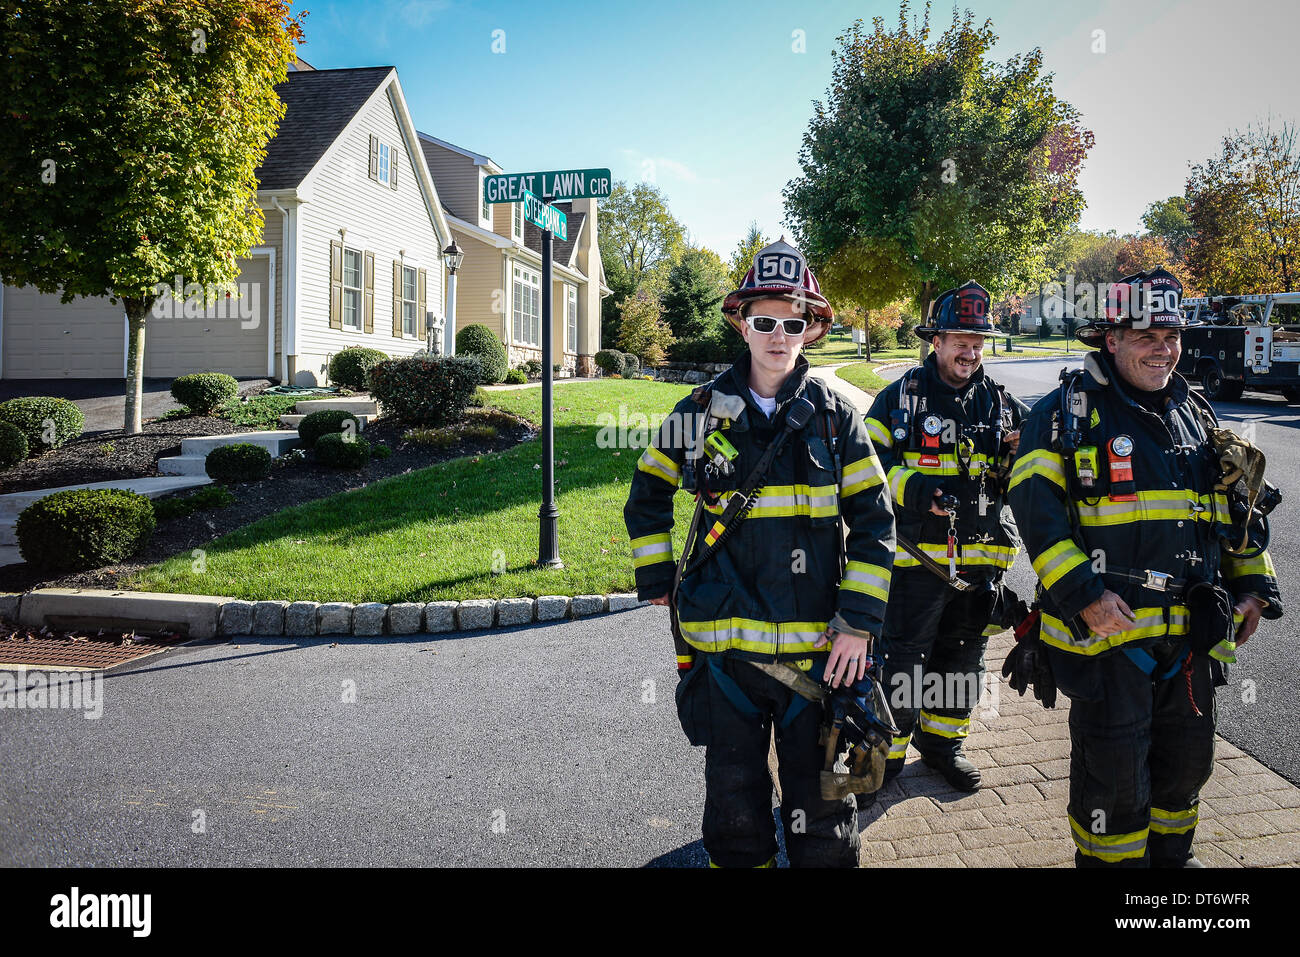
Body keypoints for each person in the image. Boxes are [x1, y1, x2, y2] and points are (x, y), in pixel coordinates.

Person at [623, 237, 896, 868]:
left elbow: (876, 523)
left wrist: (858, 625)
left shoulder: (836, 419)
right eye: (765, 320)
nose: (779, 335)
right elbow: (647, 493)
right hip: (726, 657)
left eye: (792, 322)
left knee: (823, 813)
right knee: (735, 809)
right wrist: (656, 573)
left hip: (818, 659)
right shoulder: (698, 413)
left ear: (810, 330)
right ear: (743, 324)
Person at [1007, 268, 1284, 867]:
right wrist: (1085, 596)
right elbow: (1037, 518)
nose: (1164, 348)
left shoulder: (1199, 415)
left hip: (1192, 642)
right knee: (1114, 785)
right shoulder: (1062, 416)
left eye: (1172, 336)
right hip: (1109, 644)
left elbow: (1239, 512)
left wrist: (1255, 589)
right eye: (1146, 336)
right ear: (1110, 338)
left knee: (1185, 773)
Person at [864, 282, 1028, 791]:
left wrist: (1020, 453)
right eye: (960, 340)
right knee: (904, 662)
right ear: (935, 341)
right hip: (915, 565)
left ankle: (941, 748)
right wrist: (915, 491)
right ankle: (885, 756)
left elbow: (1039, 475)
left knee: (962, 664)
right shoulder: (899, 399)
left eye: (978, 343)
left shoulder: (1003, 405)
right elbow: (869, 465)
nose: (970, 352)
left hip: (978, 571)